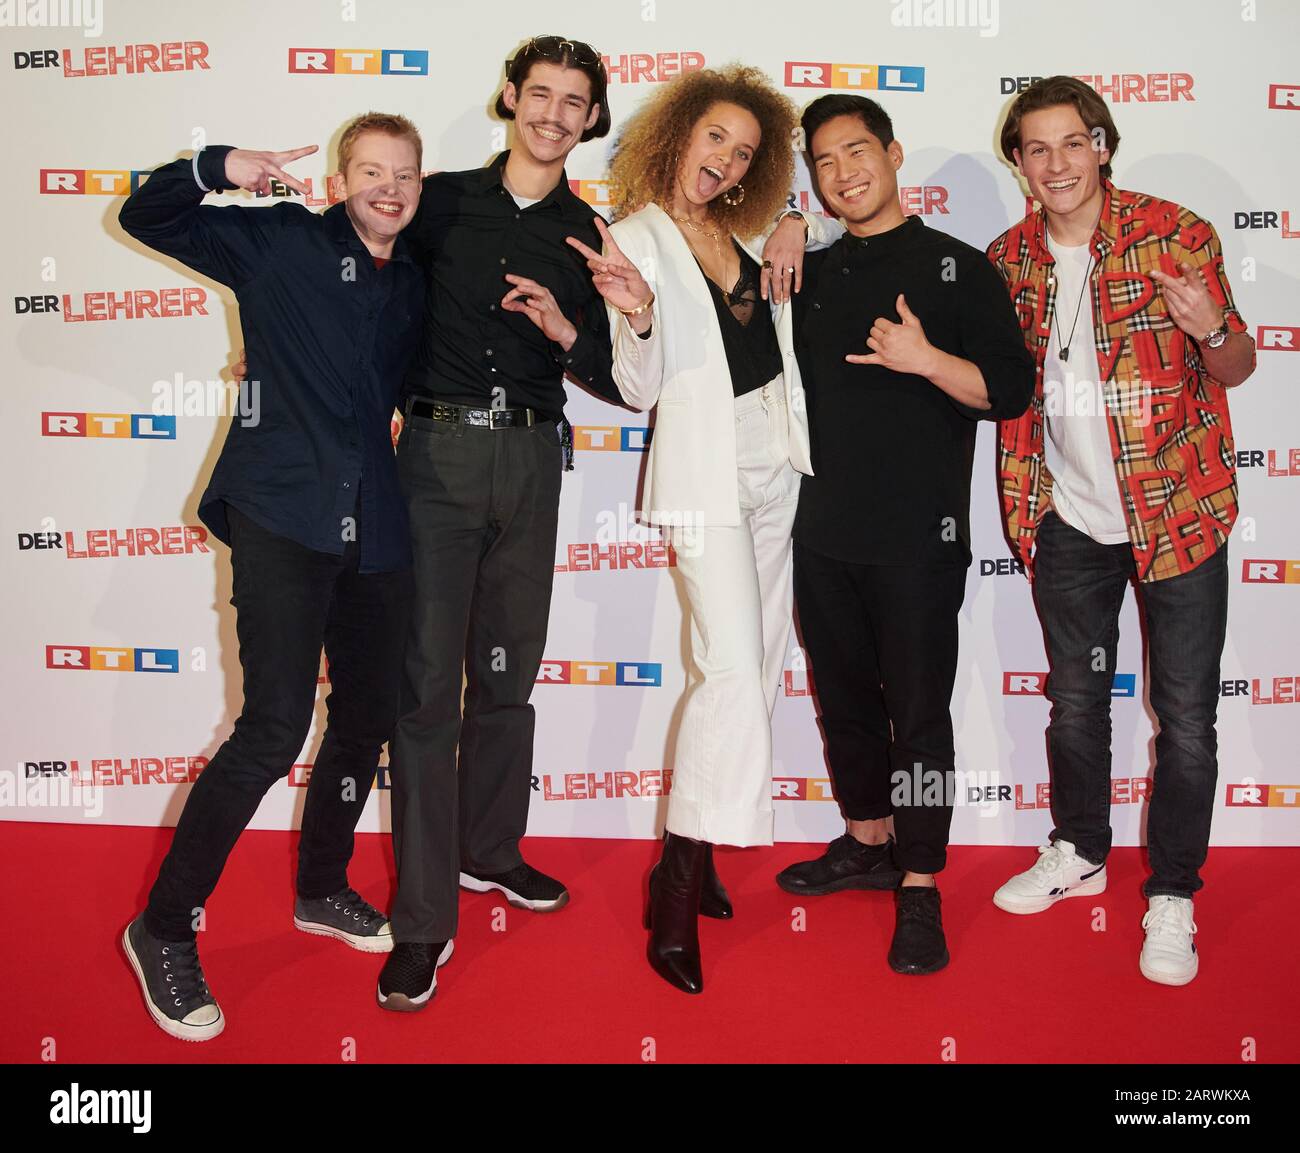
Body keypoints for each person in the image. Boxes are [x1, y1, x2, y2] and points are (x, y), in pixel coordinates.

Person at [118, 113, 426, 1040]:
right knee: (273, 726)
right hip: (282, 512)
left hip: (373, 523)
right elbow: (146, 214)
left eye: (403, 172)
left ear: (420, 180)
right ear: (340, 179)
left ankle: (321, 886)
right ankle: (161, 925)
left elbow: (404, 384)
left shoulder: (414, 280)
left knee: (367, 716)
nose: (388, 186)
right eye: (369, 170)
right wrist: (220, 165)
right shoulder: (278, 240)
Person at [378, 36, 647, 1011]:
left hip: (533, 460)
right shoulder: (438, 200)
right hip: (436, 457)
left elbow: (623, 384)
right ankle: (420, 922)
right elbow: (370, 303)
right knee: (422, 695)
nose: (553, 114)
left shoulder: (590, 232)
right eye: (541, 94)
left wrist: (578, 328)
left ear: (589, 118)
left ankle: (491, 852)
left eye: (574, 102)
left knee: (507, 678)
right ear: (510, 97)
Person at [568, 64, 840, 994]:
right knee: (727, 668)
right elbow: (640, 386)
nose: (724, 160)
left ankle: (703, 855)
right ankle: (676, 884)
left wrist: (797, 216)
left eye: (744, 151)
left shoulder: (751, 229)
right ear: (679, 133)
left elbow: (815, 238)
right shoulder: (633, 240)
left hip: (777, 459)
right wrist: (636, 313)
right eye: (714, 137)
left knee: (757, 664)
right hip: (702, 470)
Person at [986, 77, 1255, 986]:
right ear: (1017, 160)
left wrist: (1210, 322)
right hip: (1068, 518)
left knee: (1185, 720)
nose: (1056, 163)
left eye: (1073, 143)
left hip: (1176, 512)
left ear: (1102, 144)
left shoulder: (1174, 234)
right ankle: (1080, 848)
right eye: (1036, 147)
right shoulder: (1008, 259)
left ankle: (1173, 891)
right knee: (1074, 703)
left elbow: (1238, 363)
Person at [776, 94, 1035, 974]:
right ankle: (866, 838)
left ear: (893, 155)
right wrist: (783, 226)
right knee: (843, 698)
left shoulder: (958, 268)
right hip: (820, 531)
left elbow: (1008, 390)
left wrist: (926, 359)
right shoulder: (805, 270)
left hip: (921, 540)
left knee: (918, 717)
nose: (843, 173)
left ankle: (920, 880)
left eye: (858, 153)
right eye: (824, 163)